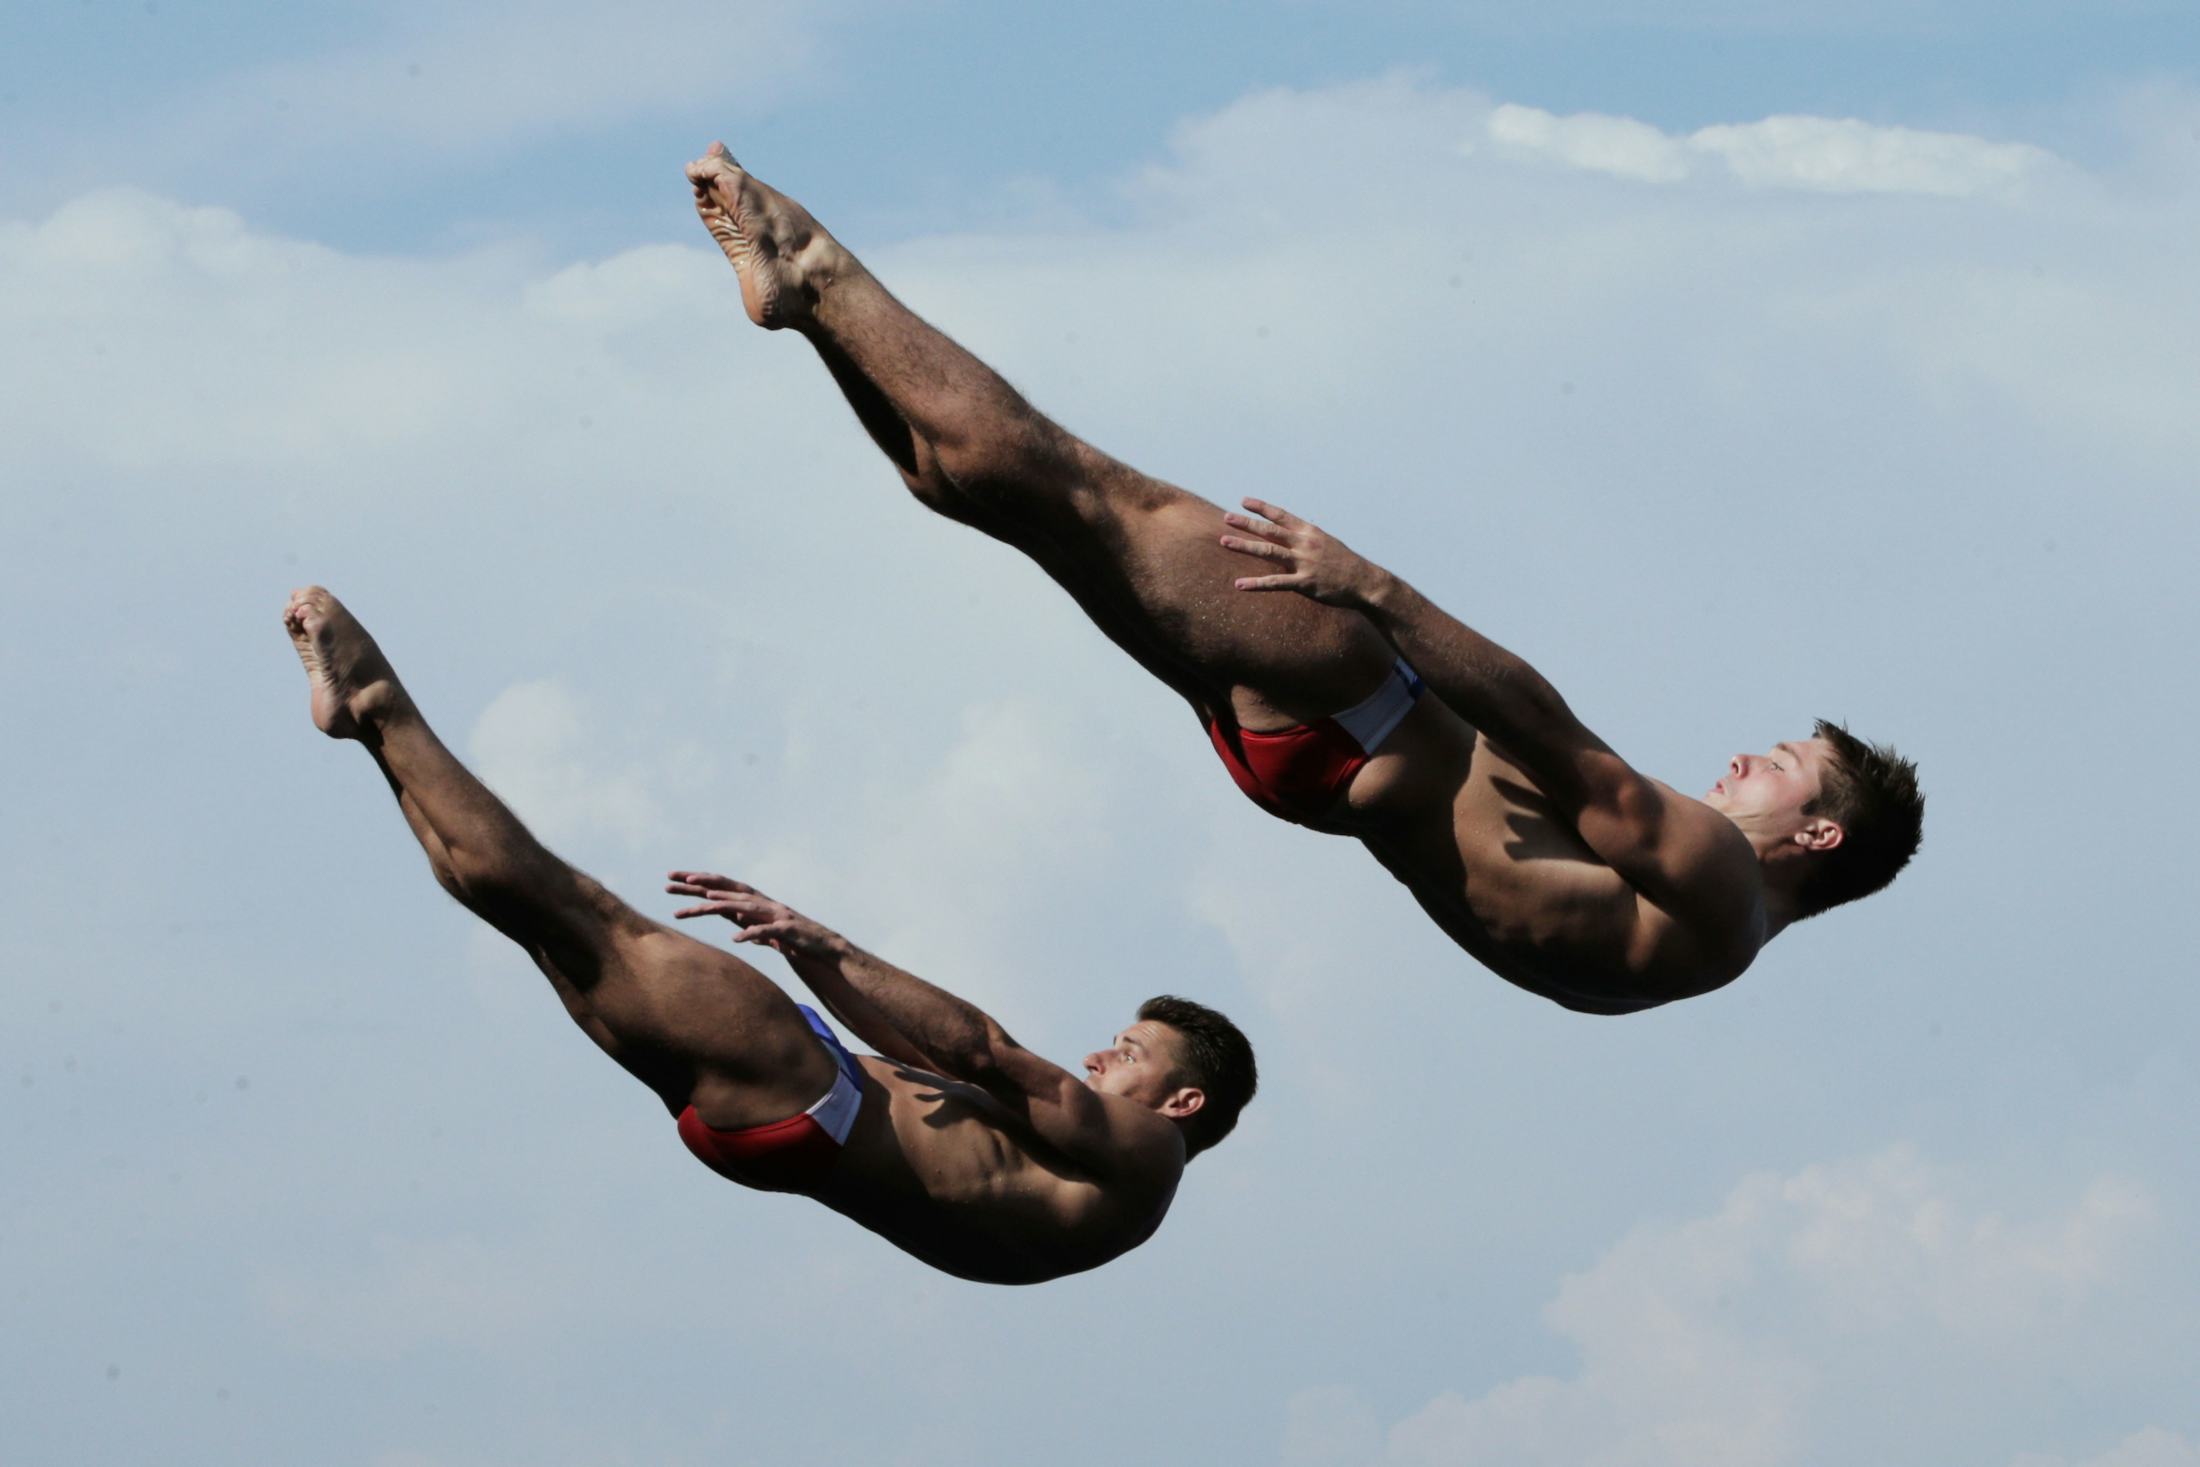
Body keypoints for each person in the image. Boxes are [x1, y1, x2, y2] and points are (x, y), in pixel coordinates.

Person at [684, 143, 1924, 1015]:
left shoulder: (1716, 874)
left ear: (1818, 834)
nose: (1743, 760)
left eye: (1780, 765)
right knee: (1002, 507)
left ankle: (815, 265)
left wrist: (1373, 589)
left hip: (1356, 695)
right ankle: (806, 313)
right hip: (1316, 773)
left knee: (1074, 488)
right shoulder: (1696, 962)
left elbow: (1549, 732)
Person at [282, 587, 1256, 1284]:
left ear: (1184, 1099)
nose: (1098, 1055)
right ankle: (370, 730)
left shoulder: (1151, 1155)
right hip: (789, 1129)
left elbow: (984, 1051)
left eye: (1128, 1052)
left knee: (576, 911)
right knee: (538, 924)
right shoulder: (1090, 1188)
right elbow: (925, 1054)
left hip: (814, 1093)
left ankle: (377, 704)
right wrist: (808, 954)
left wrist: (830, 943)